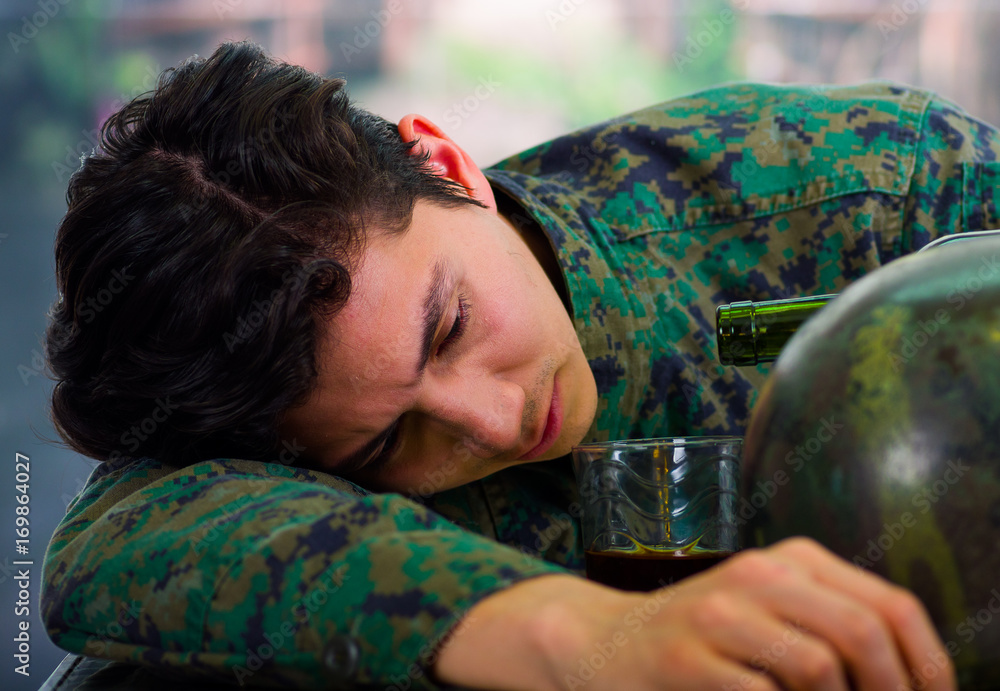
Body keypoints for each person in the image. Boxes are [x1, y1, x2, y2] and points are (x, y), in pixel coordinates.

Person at [41, 39, 998, 690]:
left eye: (449, 325)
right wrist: (572, 636)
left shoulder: (873, 187)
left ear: (451, 169)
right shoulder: (276, 466)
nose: (494, 424)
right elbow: (110, 539)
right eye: (389, 441)